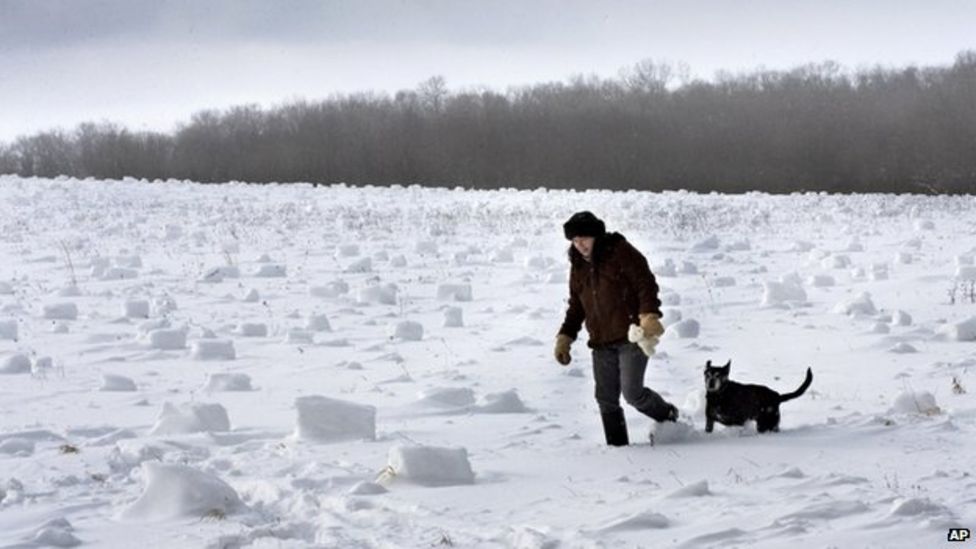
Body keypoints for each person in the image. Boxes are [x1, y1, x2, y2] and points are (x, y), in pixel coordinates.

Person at [555, 211, 678, 446]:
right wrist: (565, 337)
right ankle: (618, 448)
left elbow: (645, 283)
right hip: (601, 342)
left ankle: (668, 415)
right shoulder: (578, 266)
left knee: (632, 393)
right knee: (605, 398)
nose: (579, 245)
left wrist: (648, 315)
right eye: (574, 240)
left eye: (584, 238)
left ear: (596, 236)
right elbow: (576, 306)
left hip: (631, 336)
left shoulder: (619, 251)